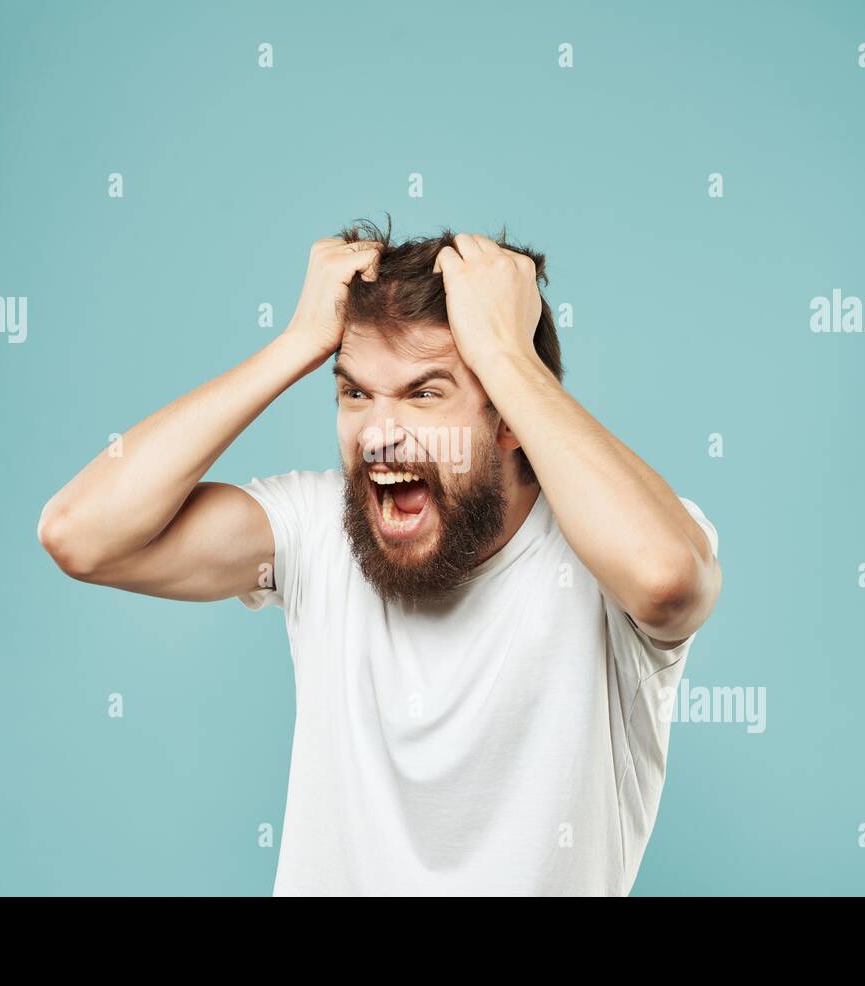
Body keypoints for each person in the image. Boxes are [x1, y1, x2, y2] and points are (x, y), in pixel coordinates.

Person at [37, 216, 723, 896]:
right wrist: (298, 343)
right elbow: (80, 535)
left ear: (511, 414)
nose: (380, 436)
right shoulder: (314, 534)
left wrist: (508, 356)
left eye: (425, 393)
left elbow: (667, 579)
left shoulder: (605, 557)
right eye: (356, 393)